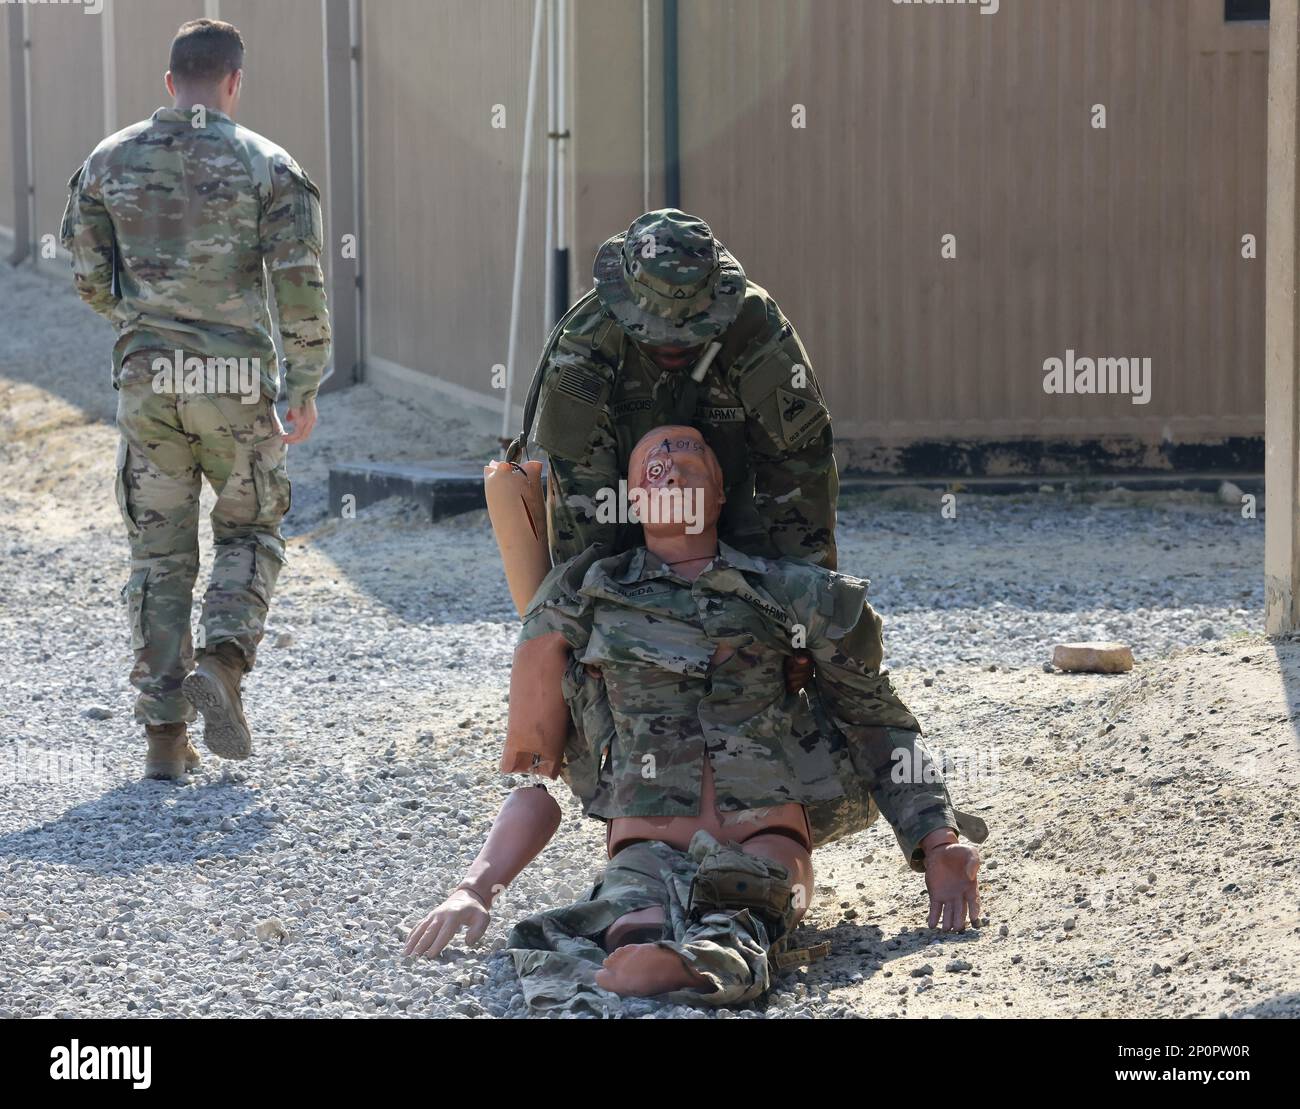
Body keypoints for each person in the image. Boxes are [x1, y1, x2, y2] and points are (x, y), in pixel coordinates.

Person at [406, 426, 985, 1015]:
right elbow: (538, 781)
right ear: (631, 498)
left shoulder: (793, 595)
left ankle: (696, 962)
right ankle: (655, 953)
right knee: (631, 920)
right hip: (645, 844)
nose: (670, 462)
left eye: (691, 454)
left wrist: (938, 841)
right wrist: (475, 888)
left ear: (723, 495)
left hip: (768, 836)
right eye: (652, 459)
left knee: (755, 911)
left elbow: (875, 721)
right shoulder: (582, 601)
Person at [60, 18, 331, 779]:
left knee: (159, 554)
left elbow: (87, 278)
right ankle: (221, 662)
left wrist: (143, 329)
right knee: (249, 531)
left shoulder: (108, 161)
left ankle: (164, 741)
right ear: (235, 82)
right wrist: (304, 385)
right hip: (237, 385)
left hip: (149, 385)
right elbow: (301, 288)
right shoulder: (268, 166)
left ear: (168, 80)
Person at [512, 209, 838, 572]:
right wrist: (588, 604)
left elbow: (800, 469)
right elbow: (580, 504)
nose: (673, 344)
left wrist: (804, 594)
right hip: (623, 513)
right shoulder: (585, 352)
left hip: (735, 515)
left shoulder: (755, 331)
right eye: (655, 333)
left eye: (691, 333)